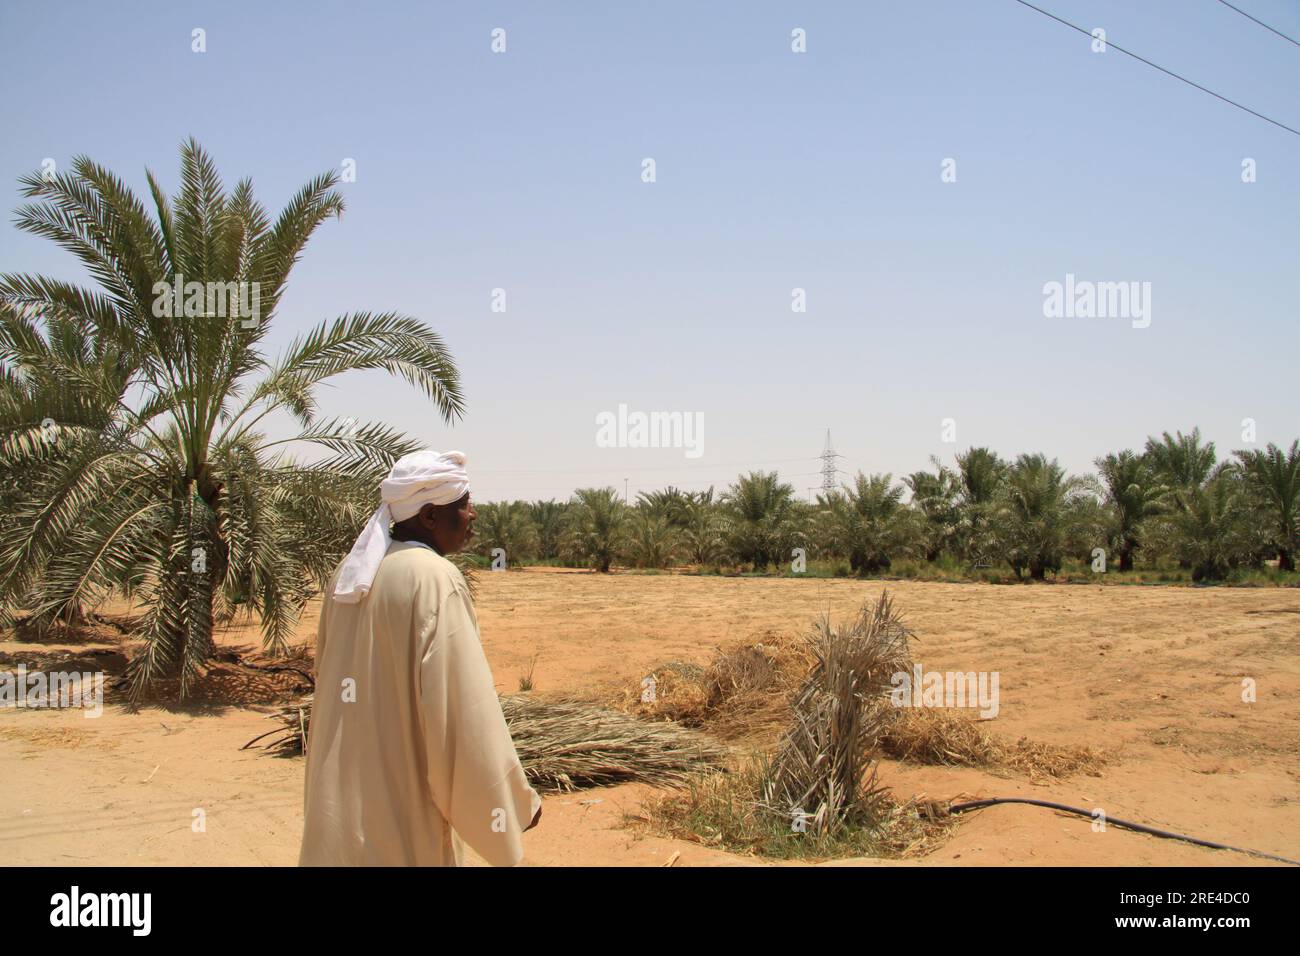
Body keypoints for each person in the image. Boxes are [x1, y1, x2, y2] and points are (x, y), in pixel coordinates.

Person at [299, 449, 541, 866]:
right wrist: (510, 804)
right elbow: (464, 715)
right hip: (399, 823)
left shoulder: (350, 573)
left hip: (335, 817)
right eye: (464, 503)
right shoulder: (434, 579)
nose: (474, 514)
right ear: (430, 515)